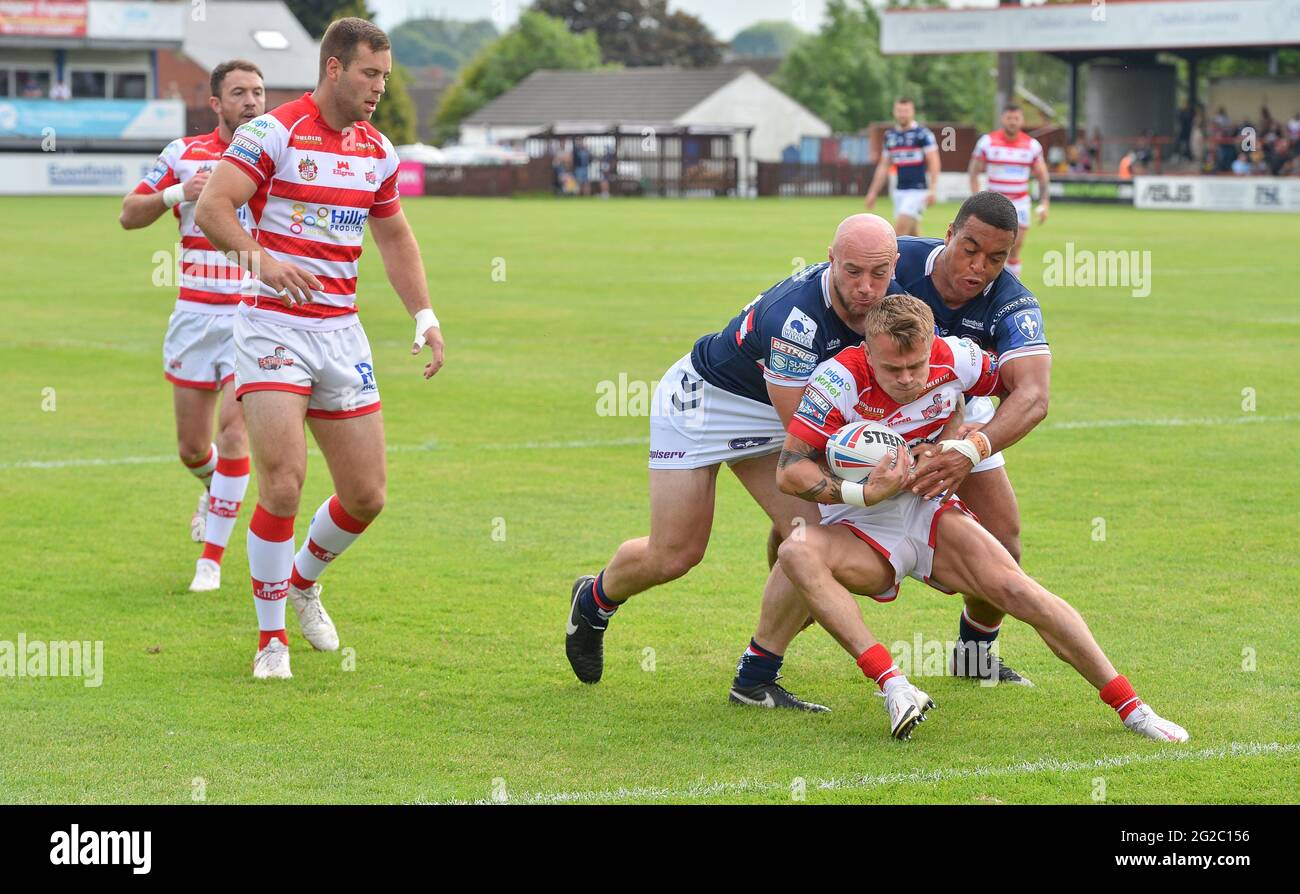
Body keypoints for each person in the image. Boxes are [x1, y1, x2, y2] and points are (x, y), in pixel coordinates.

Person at [738, 294, 1190, 744]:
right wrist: (863, 491)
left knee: (1017, 588)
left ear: (932, 344)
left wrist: (966, 438)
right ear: (866, 350)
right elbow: (790, 470)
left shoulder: (959, 357)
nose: (908, 379)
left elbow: (1022, 389)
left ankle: (1134, 710)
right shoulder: (836, 380)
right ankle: (894, 686)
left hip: (927, 508)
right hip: (858, 526)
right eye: (892, 369)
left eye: (916, 366)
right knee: (795, 550)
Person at [195, 18, 446, 679]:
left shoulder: (376, 150)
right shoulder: (272, 132)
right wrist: (262, 261)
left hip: (340, 333)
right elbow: (213, 208)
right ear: (334, 68)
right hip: (272, 327)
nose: (379, 89)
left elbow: (394, 238)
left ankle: (305, 581)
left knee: (367, 496)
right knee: (282, 483)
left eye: (387, 78)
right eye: (371, 75)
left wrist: (423, 314)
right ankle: (270, 639)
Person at [565, 215, 899, 693]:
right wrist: (875, 479)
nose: (867, 287)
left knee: (814, 540)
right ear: (830, 260)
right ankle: (594, 601)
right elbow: (803, 440)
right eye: (852, 272)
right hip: (705, 404)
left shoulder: (896, 282)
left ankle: (756, 678)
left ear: (895, 263)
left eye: (879, 272)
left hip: (781, 405)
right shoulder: (796, 321)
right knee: (676, 553)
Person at [119, 60, 266, 593]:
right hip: (194, 315)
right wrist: (178, 194)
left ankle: (211, 560)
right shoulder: (183, 153)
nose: (252, 101)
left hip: (251, 317)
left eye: (258, 91)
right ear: (216, 104)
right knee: (191, 447)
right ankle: (213, 490)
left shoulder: (274, 155)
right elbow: (128, 214)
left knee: (233, 434)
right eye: (239, 93)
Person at [968, 104, 1049, 278]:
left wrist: (1044, 202)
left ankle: (1011, 289)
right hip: (994, 203)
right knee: (991, 249)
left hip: (1020, 203)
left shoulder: (1032, 145)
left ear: (1022, 121)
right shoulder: (987, 142)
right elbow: (974, 172)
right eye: (1009, 118)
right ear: (1002, 119)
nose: (1012, 122)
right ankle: (990, 285)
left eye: (1016, 118)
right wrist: (976, 200)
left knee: (1015, 248)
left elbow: (1042, 176)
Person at [865, 97, 940, 237]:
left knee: (899, 232)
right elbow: (883, 165)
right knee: (913, 235)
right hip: (899, 191)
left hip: (917, 190)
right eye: (899, 110)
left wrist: (933, 189)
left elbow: (934, 160)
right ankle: (924, 257)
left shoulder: (922, 134)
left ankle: (893, 259)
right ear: (894, 112)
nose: (902, 114)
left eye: (906, 111)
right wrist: (873, 192)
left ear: (912, 112)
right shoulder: (890, 136)